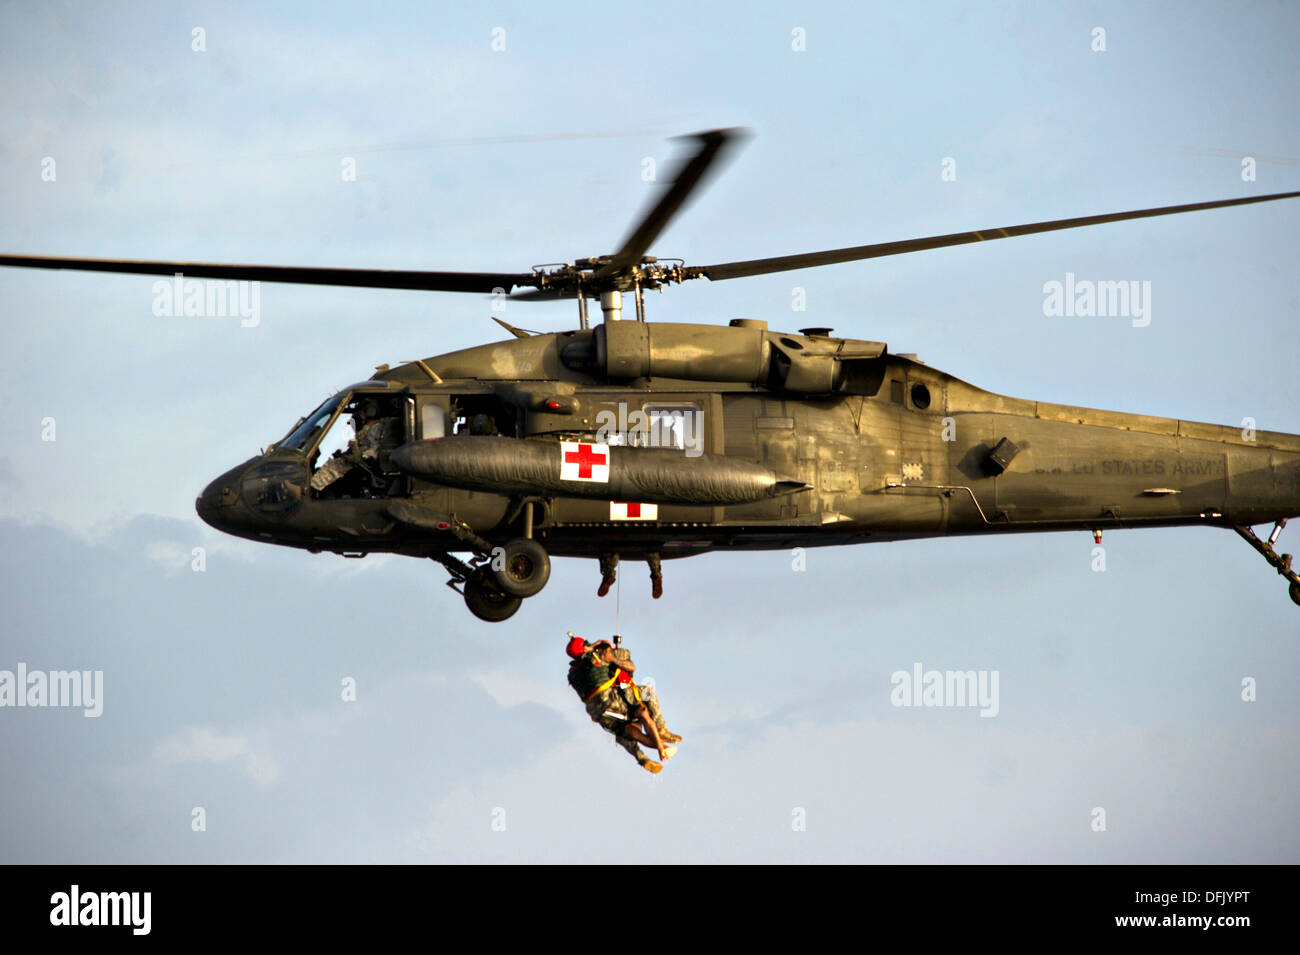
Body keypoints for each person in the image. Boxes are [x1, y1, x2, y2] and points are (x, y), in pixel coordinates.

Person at [566, 634, 675, 773]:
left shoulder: (573, 673)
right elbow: (629, 666)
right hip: (610, 698)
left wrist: (592, 647)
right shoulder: (597, 656)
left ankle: (642, 758)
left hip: (595, 711)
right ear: (584, 648)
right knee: (645, 700)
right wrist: (604, 651)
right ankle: (661, 729)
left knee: (627, 731)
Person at [310, 399, 399, 492]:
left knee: (336, 468)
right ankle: (314, 486)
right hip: (359, 464)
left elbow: (373, 452)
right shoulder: (367, 429)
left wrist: (357, 455)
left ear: (371, 411)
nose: (360, 415)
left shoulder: (378, 428)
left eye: (363, 411)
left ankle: (314, 487)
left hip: (365, 467)